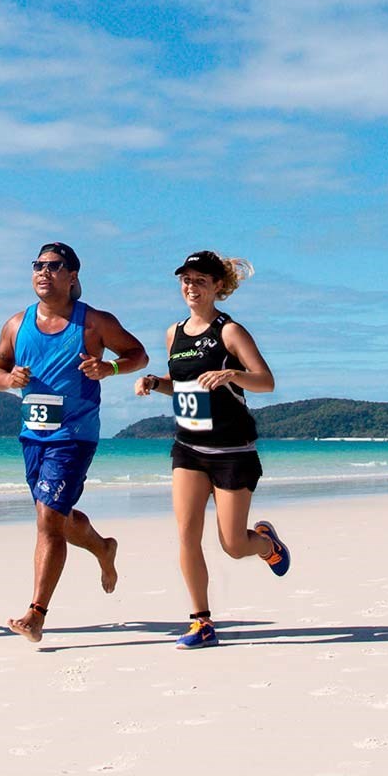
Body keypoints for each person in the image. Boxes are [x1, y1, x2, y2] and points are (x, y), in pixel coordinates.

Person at [0, 242, 147, 643]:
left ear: (72, 276)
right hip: (32, 436)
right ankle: (103, 548)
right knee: (57, 518)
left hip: (74, 436)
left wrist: (109, 367)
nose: (44, 272)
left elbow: (138, 355)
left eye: (54, 266)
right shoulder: (16, 324)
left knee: (47, 521)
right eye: (38, 265)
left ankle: (36, 613)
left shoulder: (94, 323)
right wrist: (9, 380)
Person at [132, 251, 285, 649]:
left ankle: (266, 544)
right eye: (186, 280)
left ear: (218, 286)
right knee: (187, 534)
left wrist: (233, 373)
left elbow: (266, 381)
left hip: (233, 451)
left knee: (233, 545)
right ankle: (201, 622)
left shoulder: (230, 332)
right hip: (189, 448)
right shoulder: (174, 333)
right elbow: (182, 384)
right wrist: (154, 382)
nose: (191, 287)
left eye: (200, 280)